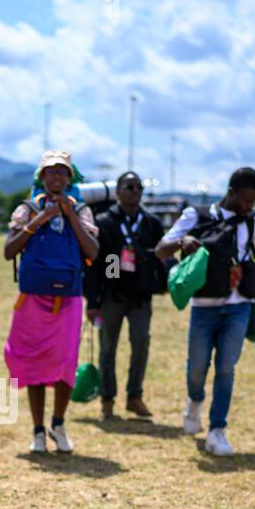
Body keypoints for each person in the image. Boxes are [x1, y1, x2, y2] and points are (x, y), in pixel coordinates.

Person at [155, 167, 255, 456]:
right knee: (197, 368)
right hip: (203, 307)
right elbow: (160, 249)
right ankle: (194, 402)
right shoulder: (197, 216)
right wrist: (182, 241)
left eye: (253, 201)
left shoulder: (254, 220)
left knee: (226, 368)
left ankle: (217, 430)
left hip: (239, 305)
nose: (248, 206)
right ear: (230, 192)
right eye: (244, 200)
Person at [2, 150, 99, 453]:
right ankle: (38, 430)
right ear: (41, 177)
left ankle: (58, 423)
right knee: (32, 361)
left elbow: (93, 252)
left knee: (64, 362)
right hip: (33, 299)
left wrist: (69, 216)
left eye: (62, 172)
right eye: (50, 171)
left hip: (68, 299)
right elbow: (9, 250)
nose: (56, 176)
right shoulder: (28, 209)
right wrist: (41, 219)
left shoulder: (81, 210)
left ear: (71, 177)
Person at [85, 171, 166, 420]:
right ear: (118, 192)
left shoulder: (151, 223)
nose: (135, 191)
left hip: (141, 296)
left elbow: (162, 256)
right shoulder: (105, 221)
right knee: (108, 348)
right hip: (112, 295)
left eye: (138, 187)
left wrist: (161, 280)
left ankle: (134, 396)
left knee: (141, 343)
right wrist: (93, 301)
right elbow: (96, 265)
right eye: (129, 187)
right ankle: (107, 399)